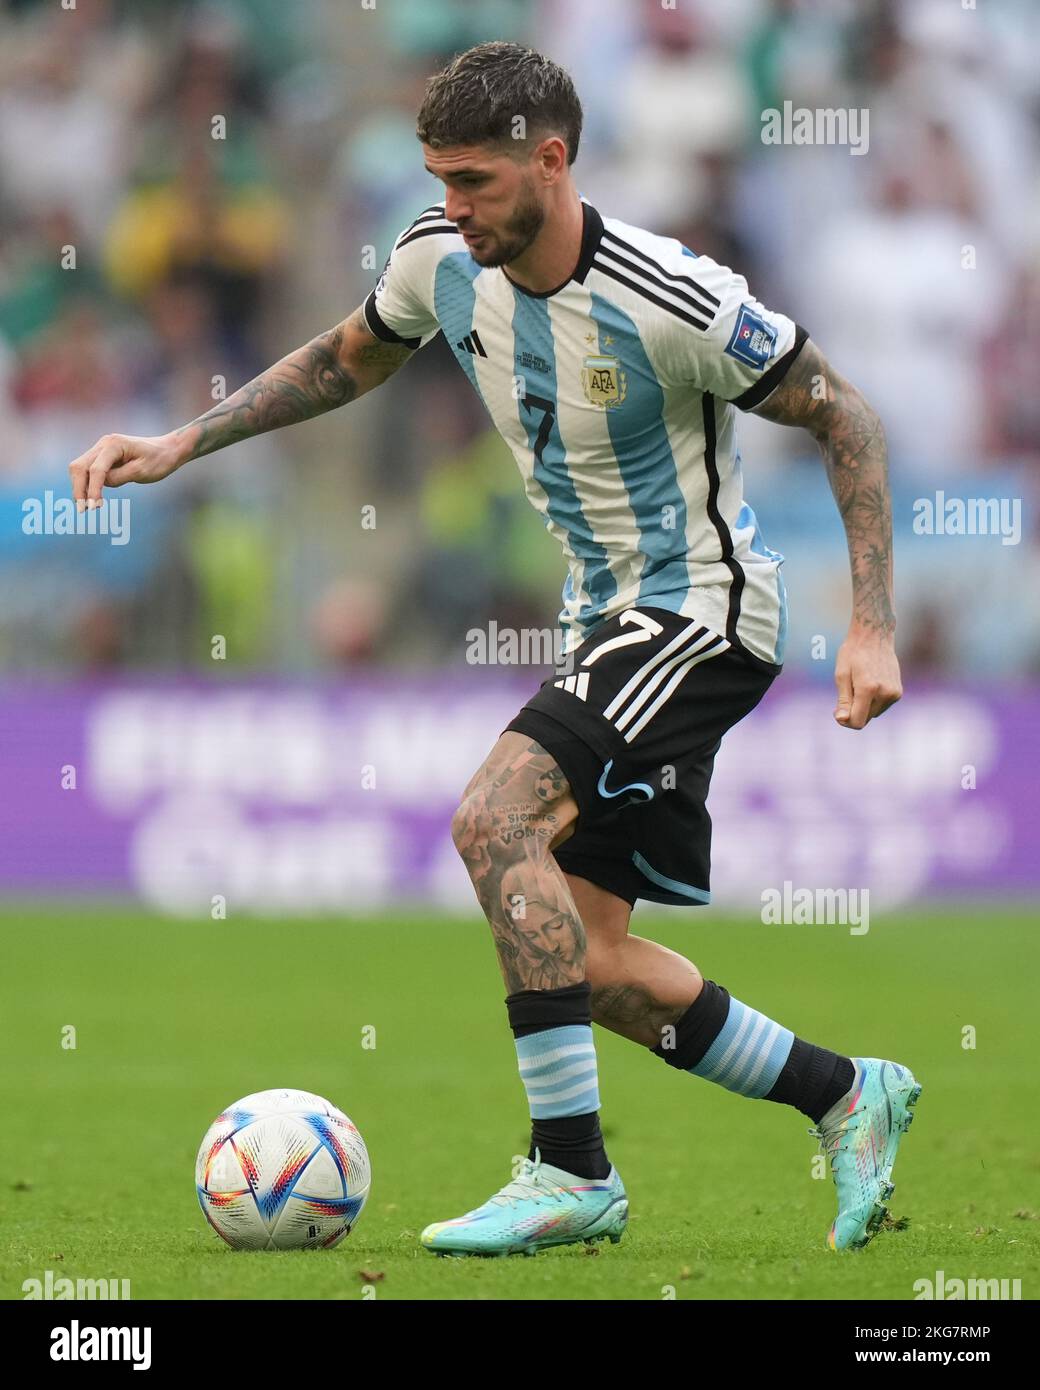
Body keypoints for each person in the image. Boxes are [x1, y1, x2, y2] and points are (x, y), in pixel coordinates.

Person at [68, 41, 921, 1258]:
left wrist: (873, 624)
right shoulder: (437, 256)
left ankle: (569, 1171)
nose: (448, 205)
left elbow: (842, 412)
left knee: (490, 819)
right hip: (601, 621)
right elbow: (345, 358)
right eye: (439, 178)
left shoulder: (668, 296)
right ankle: (845, 1092)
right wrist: (180, 442)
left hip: (698, 615)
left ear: (551, 160)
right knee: (599, 966)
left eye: (470, 180)